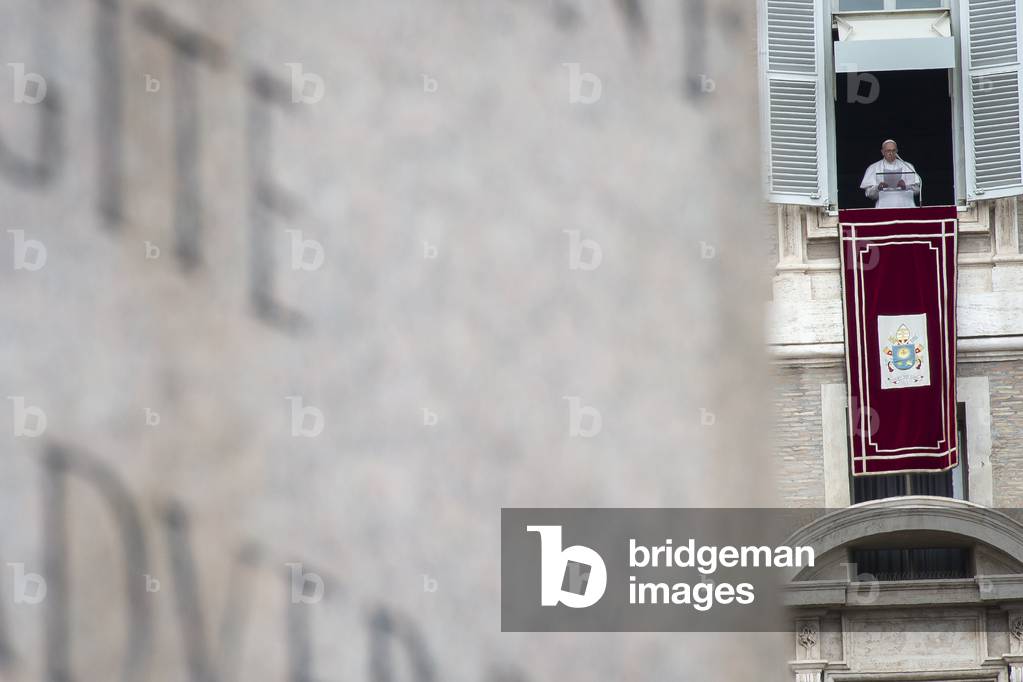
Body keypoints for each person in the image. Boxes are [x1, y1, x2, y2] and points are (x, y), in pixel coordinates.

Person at [859, 139, 922, 208]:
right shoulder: (873, 167)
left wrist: (905, 187)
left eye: (893, 150)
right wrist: (878, 187)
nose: (891, 153)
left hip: (906, 207)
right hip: (883, 208)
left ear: (897, 151)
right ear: (882, 152)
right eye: (888, 151)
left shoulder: (908, 166)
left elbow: (917, 190)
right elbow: (869, 194)